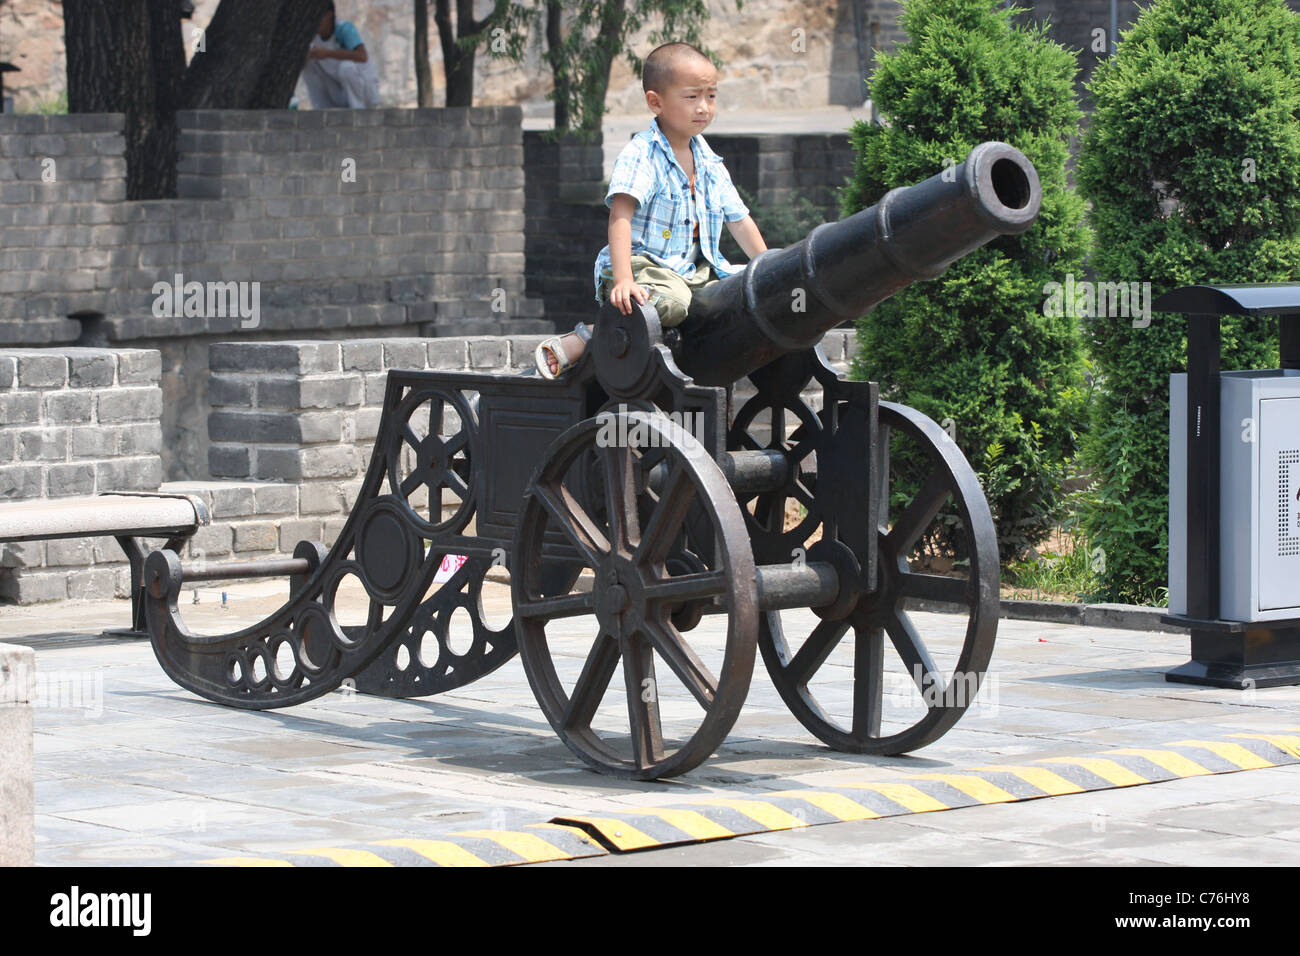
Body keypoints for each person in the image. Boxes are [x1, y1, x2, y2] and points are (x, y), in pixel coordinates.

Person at [536, 41, 768, 378]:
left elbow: (739, 219)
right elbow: (620, 217)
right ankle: (586, 337)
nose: (703, 107)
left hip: (690, 271)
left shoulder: (709, 161)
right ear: (655, 102)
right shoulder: (642, 154)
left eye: (711, 96)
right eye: (692, 97)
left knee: (738, 296)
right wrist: (623, 280)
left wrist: (767, 267)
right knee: (675, 304)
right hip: (642, 266)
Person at [300, 3, 380, 109]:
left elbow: (362, 56)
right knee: (308, 65)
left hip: (363, 91)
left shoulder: (344, 28)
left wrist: (328, 53)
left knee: (346, 67)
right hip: (338, 90)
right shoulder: (314, 35)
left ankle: (357, 111)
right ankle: (321, 109)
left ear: (329, 15)